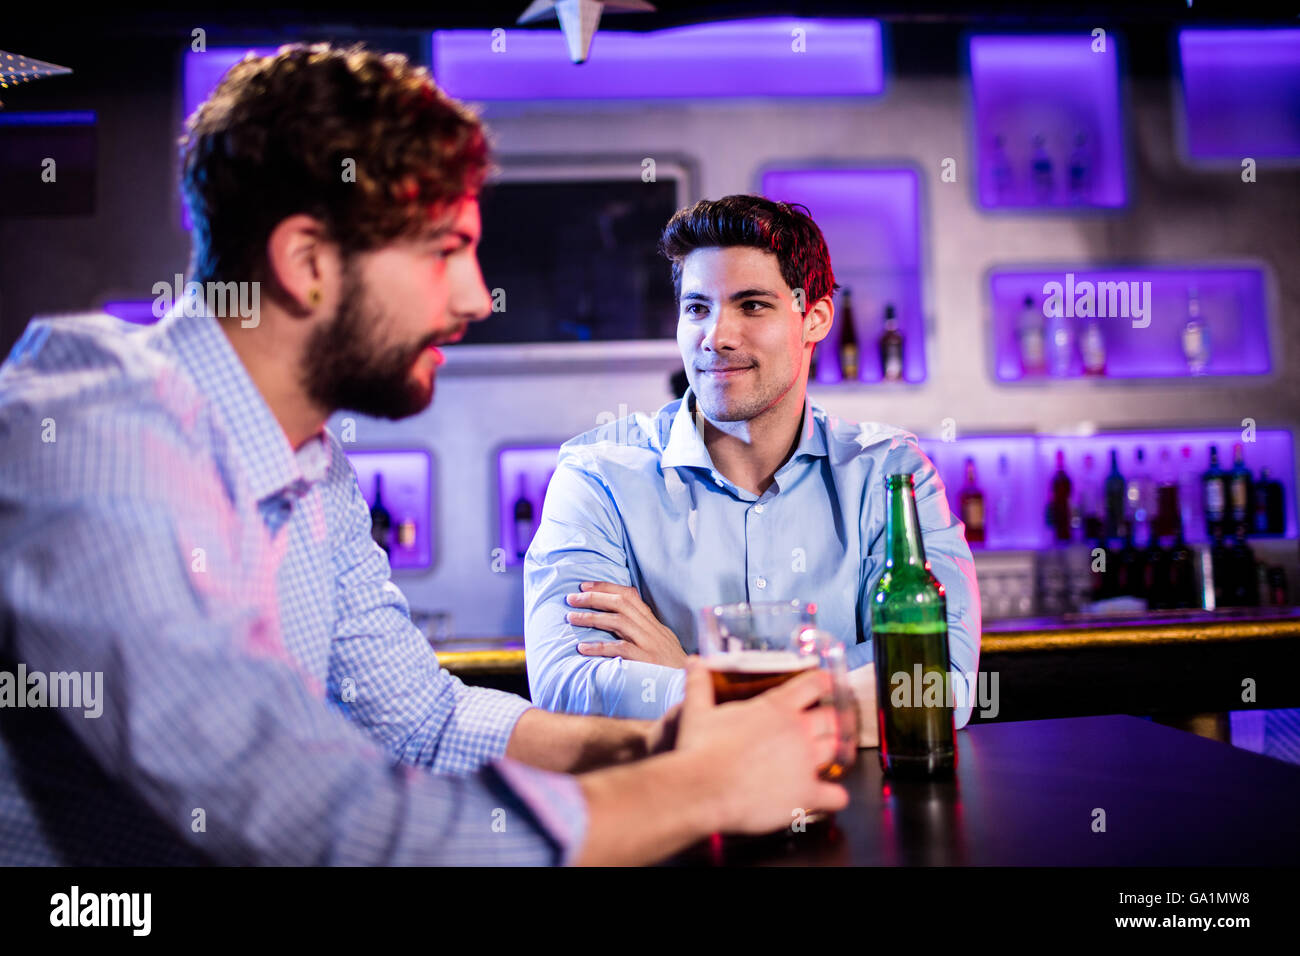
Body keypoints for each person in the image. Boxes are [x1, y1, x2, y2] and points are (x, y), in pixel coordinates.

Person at [0, 44, 848, 867]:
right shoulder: (99, 430)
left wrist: (665, 739)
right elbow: (325, 822)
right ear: (307, 263)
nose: (478, 296)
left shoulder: (312, 465)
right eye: (446, 250)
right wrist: (697, 787)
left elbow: (424, 721)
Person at [524, 195, 981, 725]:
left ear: (814, 318)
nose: (717, 337)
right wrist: (822, 689)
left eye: (752, 305)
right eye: (697, 308)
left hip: (854, 804)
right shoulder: (597, 475)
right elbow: (568, 686)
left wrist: (697, 679)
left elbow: (935, 683)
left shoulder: (891, 473)